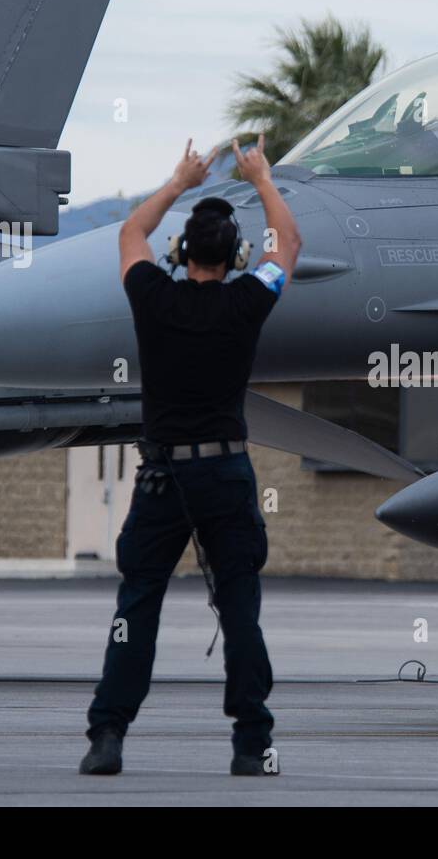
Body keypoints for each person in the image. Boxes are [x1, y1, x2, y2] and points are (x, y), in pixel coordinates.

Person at [80, 135, 301, 777]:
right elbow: (287, 246)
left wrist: (180, 180)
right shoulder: (247, 301)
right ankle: (251, 745)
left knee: (137, 605)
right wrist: (260, 178)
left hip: (162, 478)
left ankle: (108, 736)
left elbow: (129, 232)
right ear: (234, 258)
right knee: (240, 608)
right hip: (226, 474)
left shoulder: (153, 295)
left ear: (181, 255)